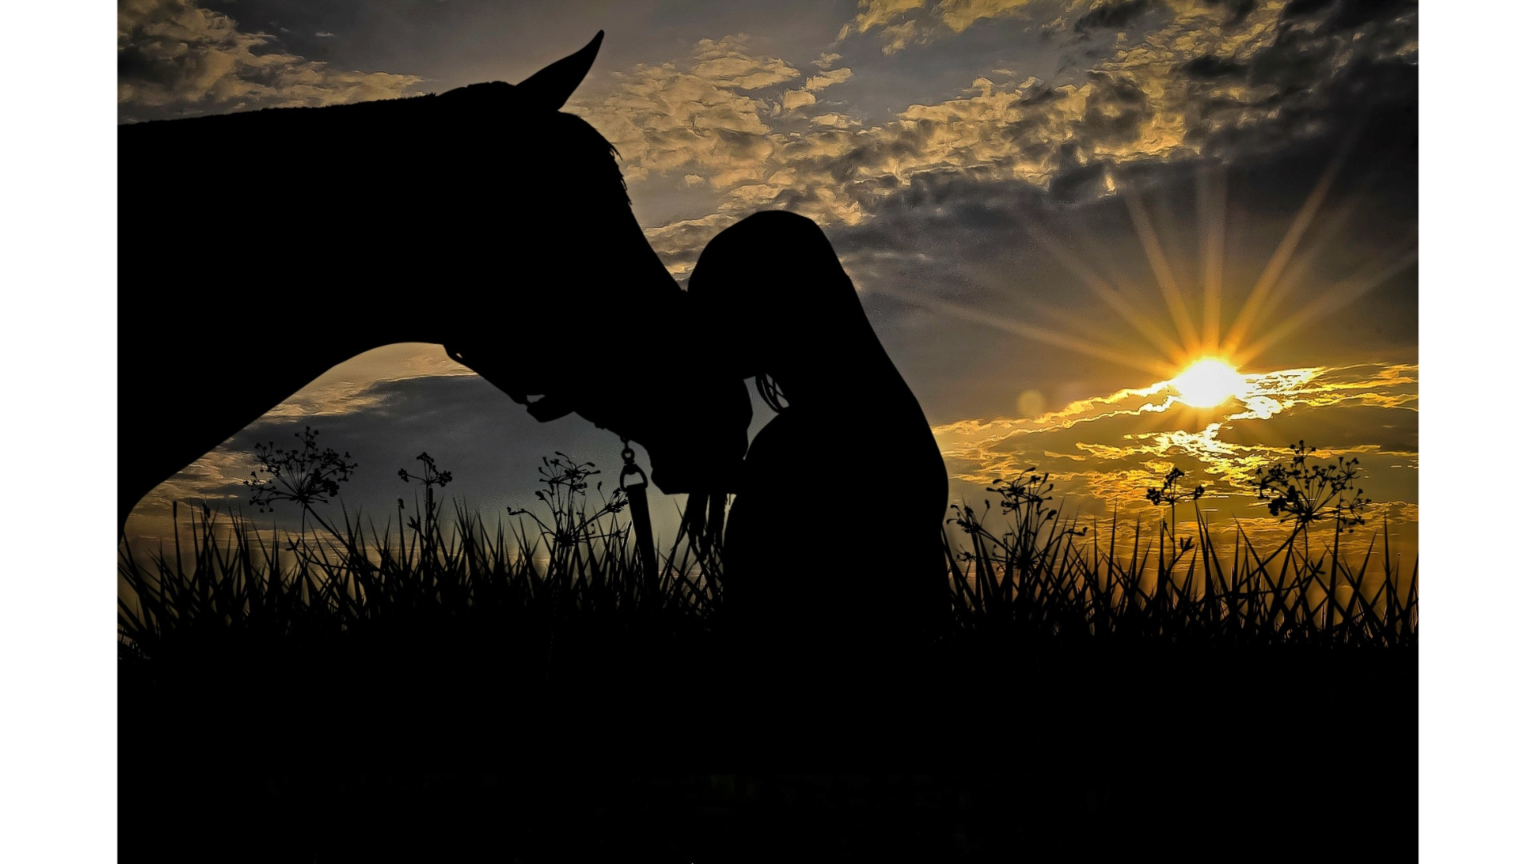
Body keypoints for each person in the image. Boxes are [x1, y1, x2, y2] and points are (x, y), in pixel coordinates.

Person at [687, 210, 951, 681]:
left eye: (718, 306)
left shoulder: (794, 449)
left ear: (770, 305)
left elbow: (758, 634)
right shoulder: (888, 419)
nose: (704, 331)